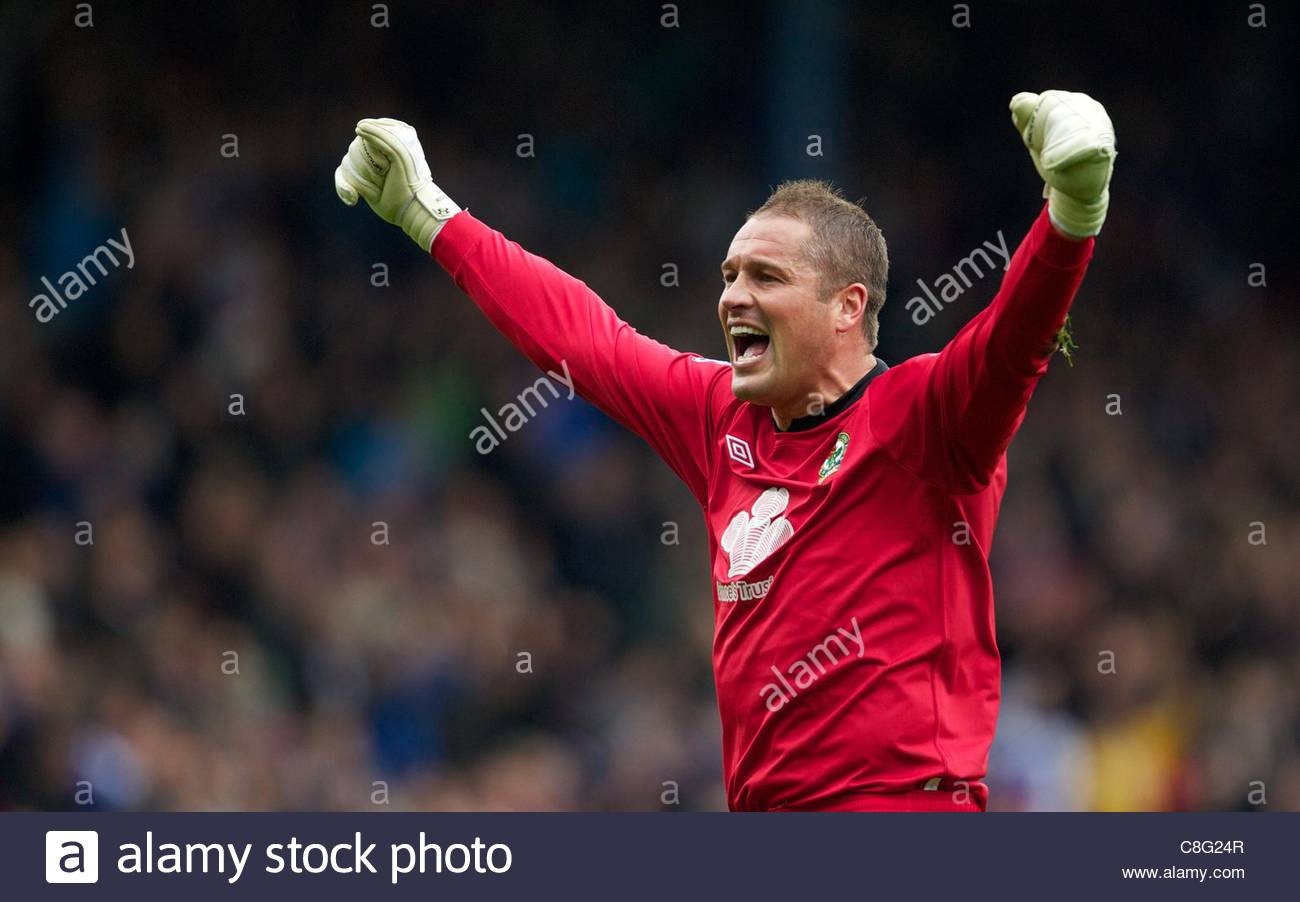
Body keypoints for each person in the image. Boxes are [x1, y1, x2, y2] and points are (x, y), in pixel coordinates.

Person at [334, 90, 1116, 812]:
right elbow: (581, 336)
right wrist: (428, 214)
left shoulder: (921, 418)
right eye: (730, 274)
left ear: (847, 307)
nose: (733, 296)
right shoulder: (722, 422)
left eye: (766, 276)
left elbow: (1014, 341)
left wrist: (1071, 212)